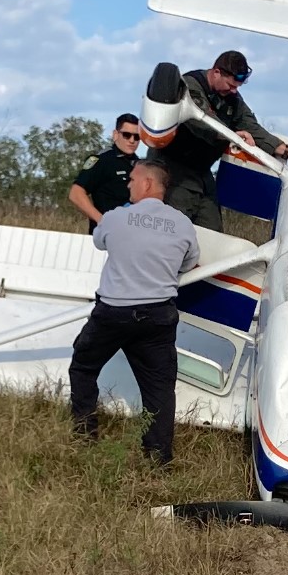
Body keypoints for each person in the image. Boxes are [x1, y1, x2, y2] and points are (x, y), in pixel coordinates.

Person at [70, 160, 199, 465]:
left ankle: (84, 437)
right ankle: (157, 458)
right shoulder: (182, 224)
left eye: (132, 180)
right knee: (159, 389)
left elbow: (101, 242)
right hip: (157, 317)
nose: (128, 184)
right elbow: (189, 262)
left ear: (146, 184)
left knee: (83, 367)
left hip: (113, 313)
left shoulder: (116, 218)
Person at [151, 50, 288, 233]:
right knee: (173, 230)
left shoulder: (232, 99)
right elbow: (201, 120)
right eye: (230, 85)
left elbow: (250, 125)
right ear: (216, 72)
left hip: (202, 174)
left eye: (237, 87)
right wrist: (233, 136)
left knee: (212, 231)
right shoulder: (189, 87)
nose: (234, 91)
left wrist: (285, 150)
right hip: (173, 172)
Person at [68, 113, 142, 232]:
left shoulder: (141, 166)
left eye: (137, 136)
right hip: (104, 236)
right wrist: (102, 221)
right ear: (115, 135)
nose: (132, 140)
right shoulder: (101, 160)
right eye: (126, 135)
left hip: (131, 236)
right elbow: (76, 193)